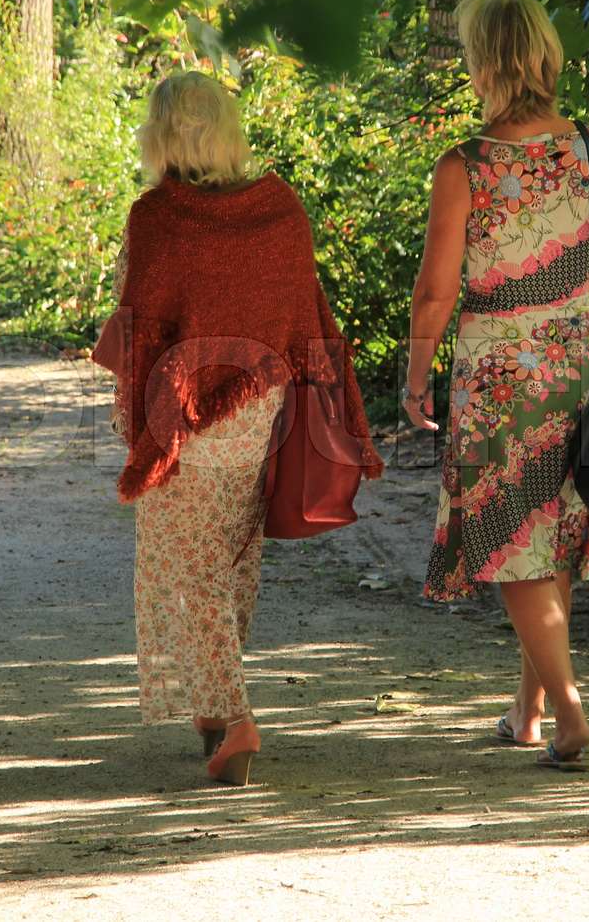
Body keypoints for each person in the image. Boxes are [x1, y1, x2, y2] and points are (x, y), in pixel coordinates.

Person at [94, 72, 384, 785]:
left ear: (160, 134)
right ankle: (213, 710)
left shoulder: (156, 217)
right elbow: (307, 317)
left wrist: (133, 414)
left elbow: (139, 328)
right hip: (260, 407)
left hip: (184, 412)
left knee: (189, 564)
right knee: (231, 553)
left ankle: (234, 714)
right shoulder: (280, 210)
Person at [403, 0, 589, 771]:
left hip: (499, 373)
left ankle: (571, 713)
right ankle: (526, 709)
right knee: (557, 532)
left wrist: (416, 374)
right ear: (543, 53)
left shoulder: (466, 165)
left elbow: (437, 289)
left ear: (485, 63)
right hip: (580, 361)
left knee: (512, 540)